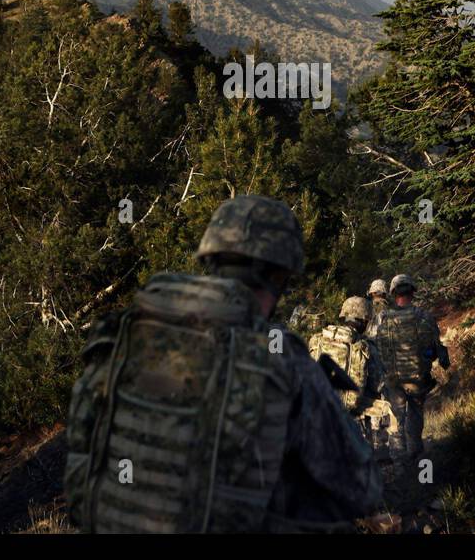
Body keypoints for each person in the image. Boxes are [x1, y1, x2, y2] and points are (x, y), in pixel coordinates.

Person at [64, 195, 382, 532]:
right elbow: (363, 487)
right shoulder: (282, 360)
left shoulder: (121, 335)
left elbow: (80, 472)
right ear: (279, 276)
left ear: (211, 258)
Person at [366, 274, 449, 462]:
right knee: (415, 414)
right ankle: (415, 454)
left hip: (393, 380)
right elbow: (434, 349)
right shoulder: (424, 317)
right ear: (412, 291)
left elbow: (372, 347)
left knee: (396, 418)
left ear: (394, 293)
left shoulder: (382, 318)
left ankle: (398, 458)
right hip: (418, 379)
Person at [306, 296, 381, 419]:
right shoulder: (365, 346)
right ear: (363, 321)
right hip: (347, 415)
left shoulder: (317, 339)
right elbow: (377, 385)